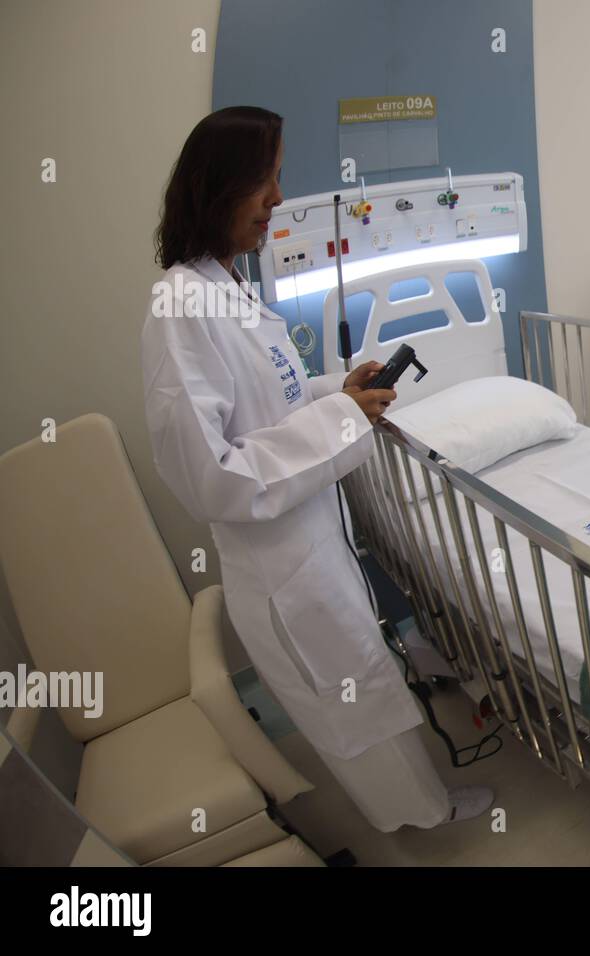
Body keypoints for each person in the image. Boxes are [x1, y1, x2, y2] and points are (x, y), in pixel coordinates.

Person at [141, 106, 491, 832]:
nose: (276, 199)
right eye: (265, 182)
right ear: (218, 187)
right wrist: (341, 419)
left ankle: (424, 804)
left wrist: (340, 389)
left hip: (310, 547)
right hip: (280, 571)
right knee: (353, 715)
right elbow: (212, 475)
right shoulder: (181, 307)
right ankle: (423, 818)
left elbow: (272, 405)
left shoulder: (229, 288)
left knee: (367, 688)